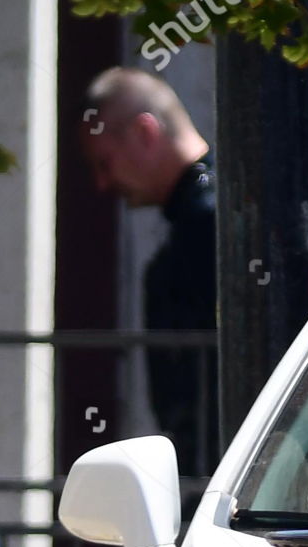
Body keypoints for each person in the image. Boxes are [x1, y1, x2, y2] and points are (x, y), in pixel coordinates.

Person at [81, 66, 218, 484]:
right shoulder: (210, 216)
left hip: (229, 467)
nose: (103, 184)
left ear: (144, 133)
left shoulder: (214, 222)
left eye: (105, 162)